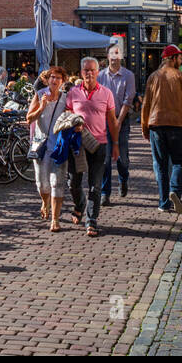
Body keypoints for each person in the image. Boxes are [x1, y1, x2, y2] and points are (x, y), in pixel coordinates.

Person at [65, 56, 117, 237]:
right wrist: (73, 122)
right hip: (78, 143)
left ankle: (91, 220)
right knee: (73, 182)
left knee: (95, 185)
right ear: (81, 72)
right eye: (86, 70)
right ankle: (79, 204)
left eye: (92, 70)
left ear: (97, 72)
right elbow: (67, 114)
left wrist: (116, 144)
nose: (89, 73)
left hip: (99, 144)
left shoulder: (106, 93)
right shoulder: (73, 93)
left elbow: (112, 120)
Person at [140, 44, 182, 214]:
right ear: (173, 58)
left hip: (156, 125)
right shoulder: (180, 75)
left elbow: (145, 104)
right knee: (177, 162)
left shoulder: (153, 77)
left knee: (161, 166)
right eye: (179, 57)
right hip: (175, 124)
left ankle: (163, 203)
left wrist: (144, 127)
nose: (181, 59)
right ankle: (174, 192)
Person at [26, 66, 71, 232]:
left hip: (59, 147)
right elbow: (29, 118)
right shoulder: (39, 95)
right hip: (42, 146)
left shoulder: (66, 98)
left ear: (62, 81)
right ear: (47, 79)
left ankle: (55, 219)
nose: (55, 80)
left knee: (57, 183)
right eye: (52, 77)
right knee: (42, 184)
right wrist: (41, 107)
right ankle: (44, 201)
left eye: (58, 78)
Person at [98, 45, 136, 205]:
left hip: (122, 119)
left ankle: (123, 179)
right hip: (104, 121)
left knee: (122, 158)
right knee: (105, 159)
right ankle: (105, 193)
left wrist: (119, 121)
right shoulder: (100, 76)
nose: (114, 57)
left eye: (117, 53)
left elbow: (129, 99)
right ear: (107, 56)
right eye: (111, 53)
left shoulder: (128, 75)